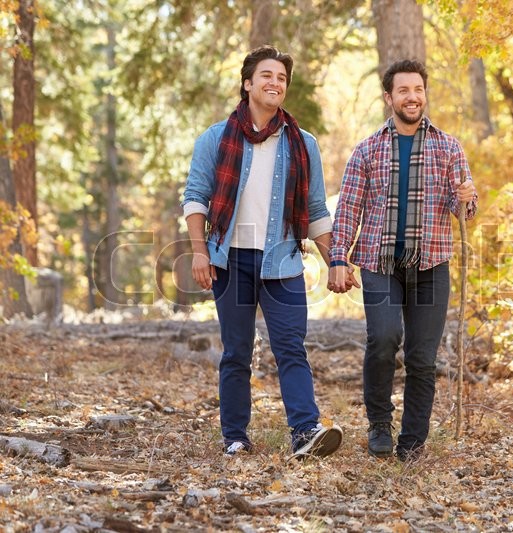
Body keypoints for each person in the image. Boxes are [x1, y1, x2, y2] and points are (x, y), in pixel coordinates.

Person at [182, 45, 342, 459]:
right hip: (230, 259)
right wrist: (200, 252)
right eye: (267, 76)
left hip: (283, 259)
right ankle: (235, 435)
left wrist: (336, 260)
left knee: (291, 346)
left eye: (282, 78)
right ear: (248, 83)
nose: (275, 83)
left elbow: (317, 210)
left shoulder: (303, 143)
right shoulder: (216, 139)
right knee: (236, 350)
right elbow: (196, 198)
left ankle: (305, 431)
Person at [329, 59, 477, 461]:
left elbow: (462, 207)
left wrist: (466, 199)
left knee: (422, 358)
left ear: (424, 94)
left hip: (431, 267)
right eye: (404, 91)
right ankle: (379, 423)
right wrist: (338, 257)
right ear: (388, 97)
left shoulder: (449, 147)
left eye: (418, 90)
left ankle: (412, 441)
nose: (412, 97)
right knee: (383, 340)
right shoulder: (367, 149)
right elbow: (348, 210)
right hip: (379, 264)